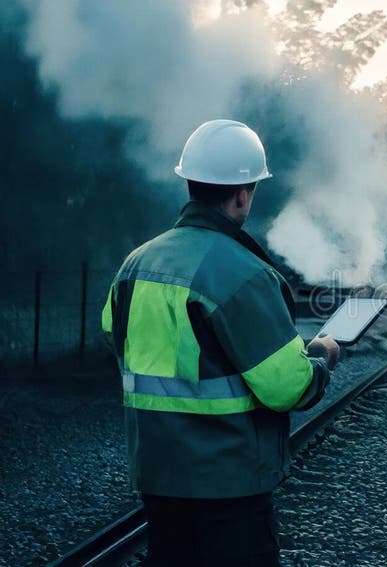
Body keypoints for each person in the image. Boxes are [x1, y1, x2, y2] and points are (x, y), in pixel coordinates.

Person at [101, 119, 339, 566]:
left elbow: (114, 336)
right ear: (243, 193)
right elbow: (286, 387)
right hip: (227, 484)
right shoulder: (243, 274)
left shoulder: (136, 263)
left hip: (157, 474)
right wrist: (322, 358)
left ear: (190, 183)